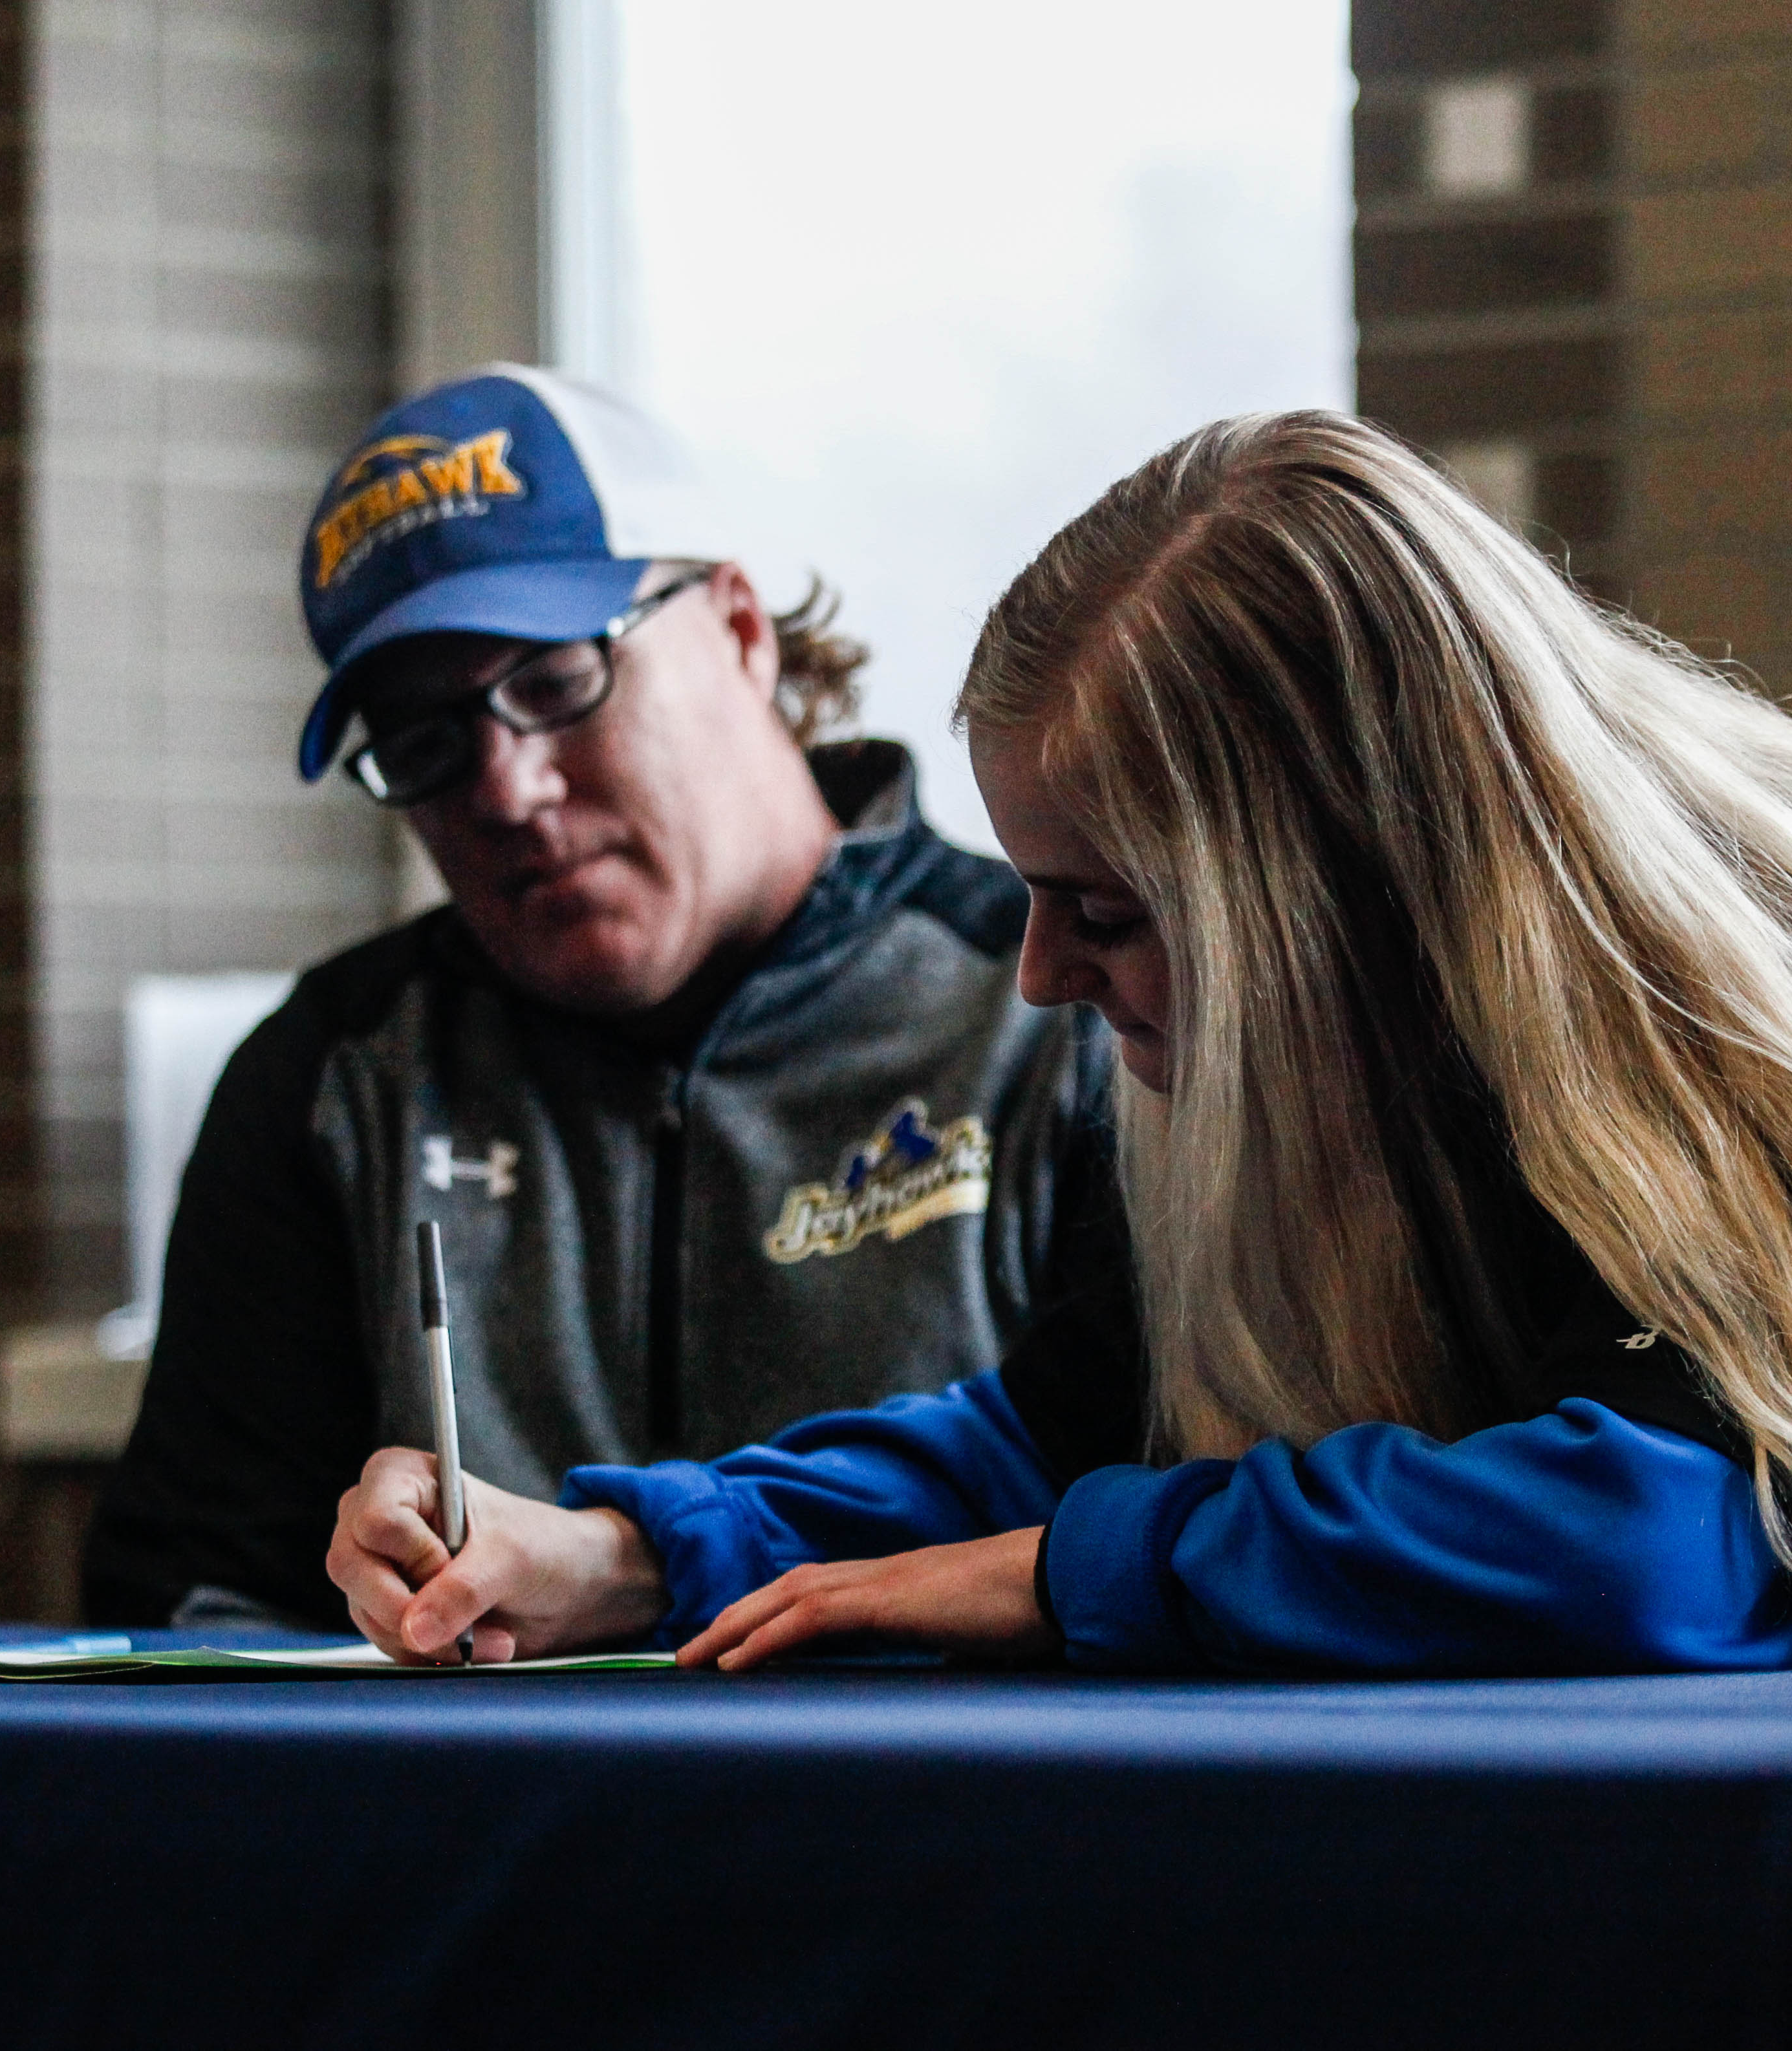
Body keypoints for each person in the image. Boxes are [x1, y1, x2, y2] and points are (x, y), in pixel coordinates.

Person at [325, 409, 1792, 1677]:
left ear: (1336, 891)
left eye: (1107, 911)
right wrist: (632, 1546)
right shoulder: (1296, 1048)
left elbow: (1688, 1537)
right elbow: (1062, 1423)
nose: (1040, 975)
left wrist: (1069, 1570)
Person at [81, 366, 1114, 1630]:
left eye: (553, 680)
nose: (506, 789)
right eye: (421, 743)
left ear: (740, 631)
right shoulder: (336, 1079)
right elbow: (192, 1607)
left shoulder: (1068, 1001)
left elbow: (1162, 1525)